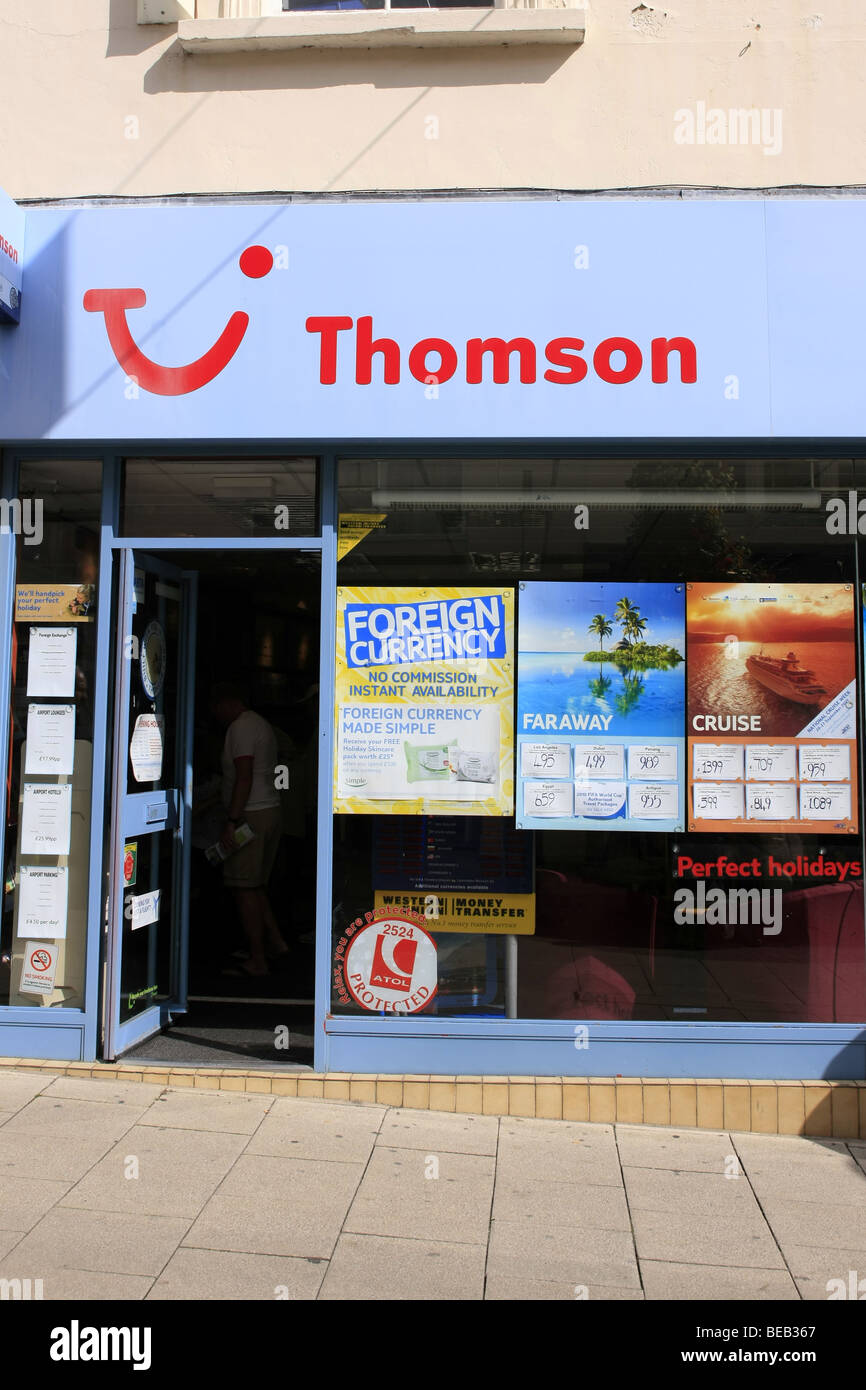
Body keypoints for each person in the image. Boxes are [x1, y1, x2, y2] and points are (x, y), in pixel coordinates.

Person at [210, 681, 289, 977]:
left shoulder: (240, 728)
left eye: (215, 708)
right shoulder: (260, 724)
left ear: (226, 702)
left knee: (243, 888)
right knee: (255, 886)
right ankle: (276, 943)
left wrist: (231, 820)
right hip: (269, 810)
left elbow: (244, 776)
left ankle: (257, 959)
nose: (215, 716)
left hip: (250, 816)